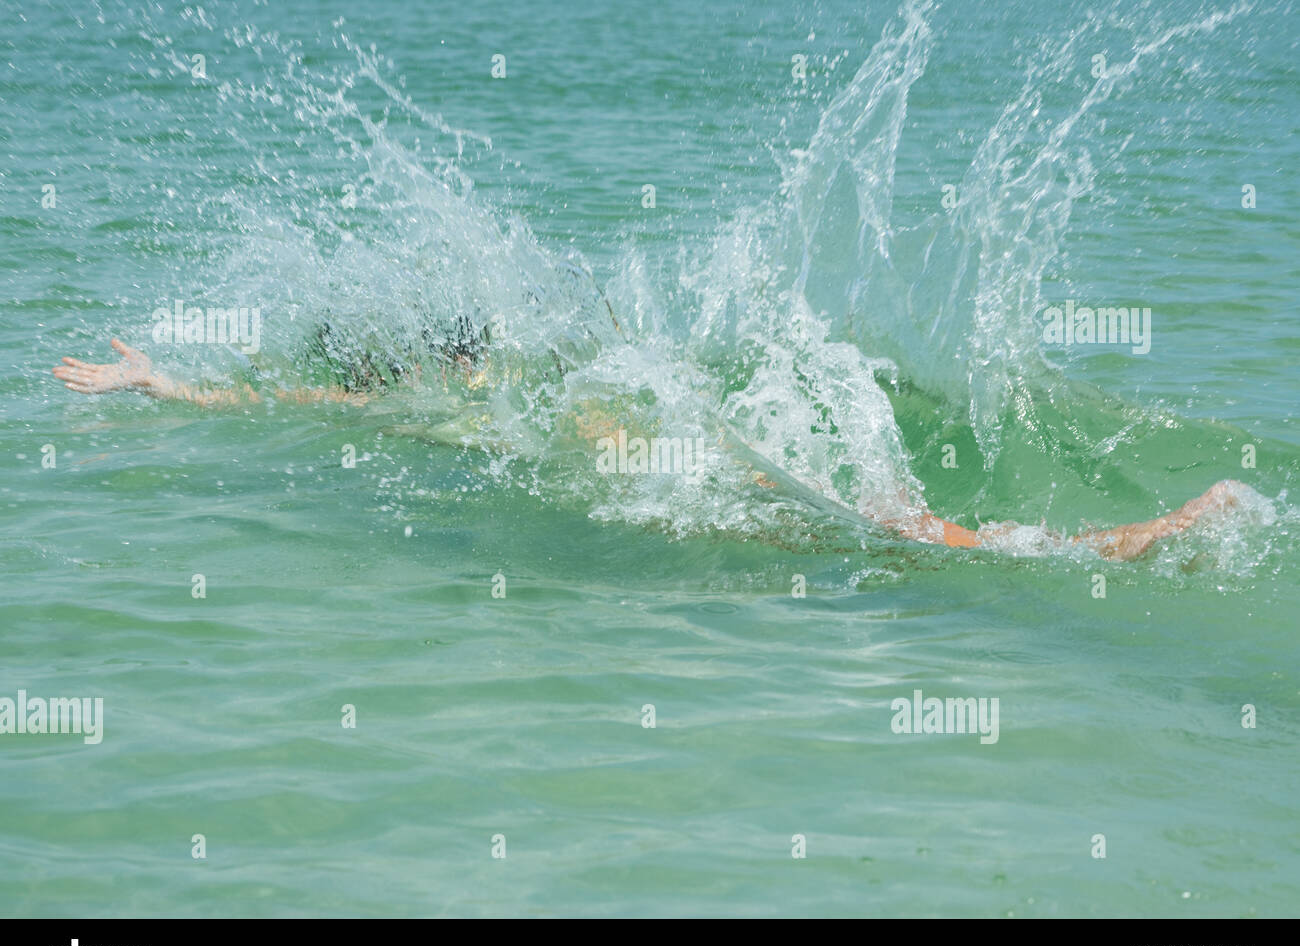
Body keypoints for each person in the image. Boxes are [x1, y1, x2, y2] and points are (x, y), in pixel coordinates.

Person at [52, 332, 1247, 561]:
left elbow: (300, 402)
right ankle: (1123, 542)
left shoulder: (519, 385)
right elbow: (293, 403)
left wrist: (177, 387)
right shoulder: (433, 399)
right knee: (897, 537)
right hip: (678, 480)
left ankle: (1131, 541)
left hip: (685, 471)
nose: (459, 376)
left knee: (893, 536)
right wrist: (168, 383)